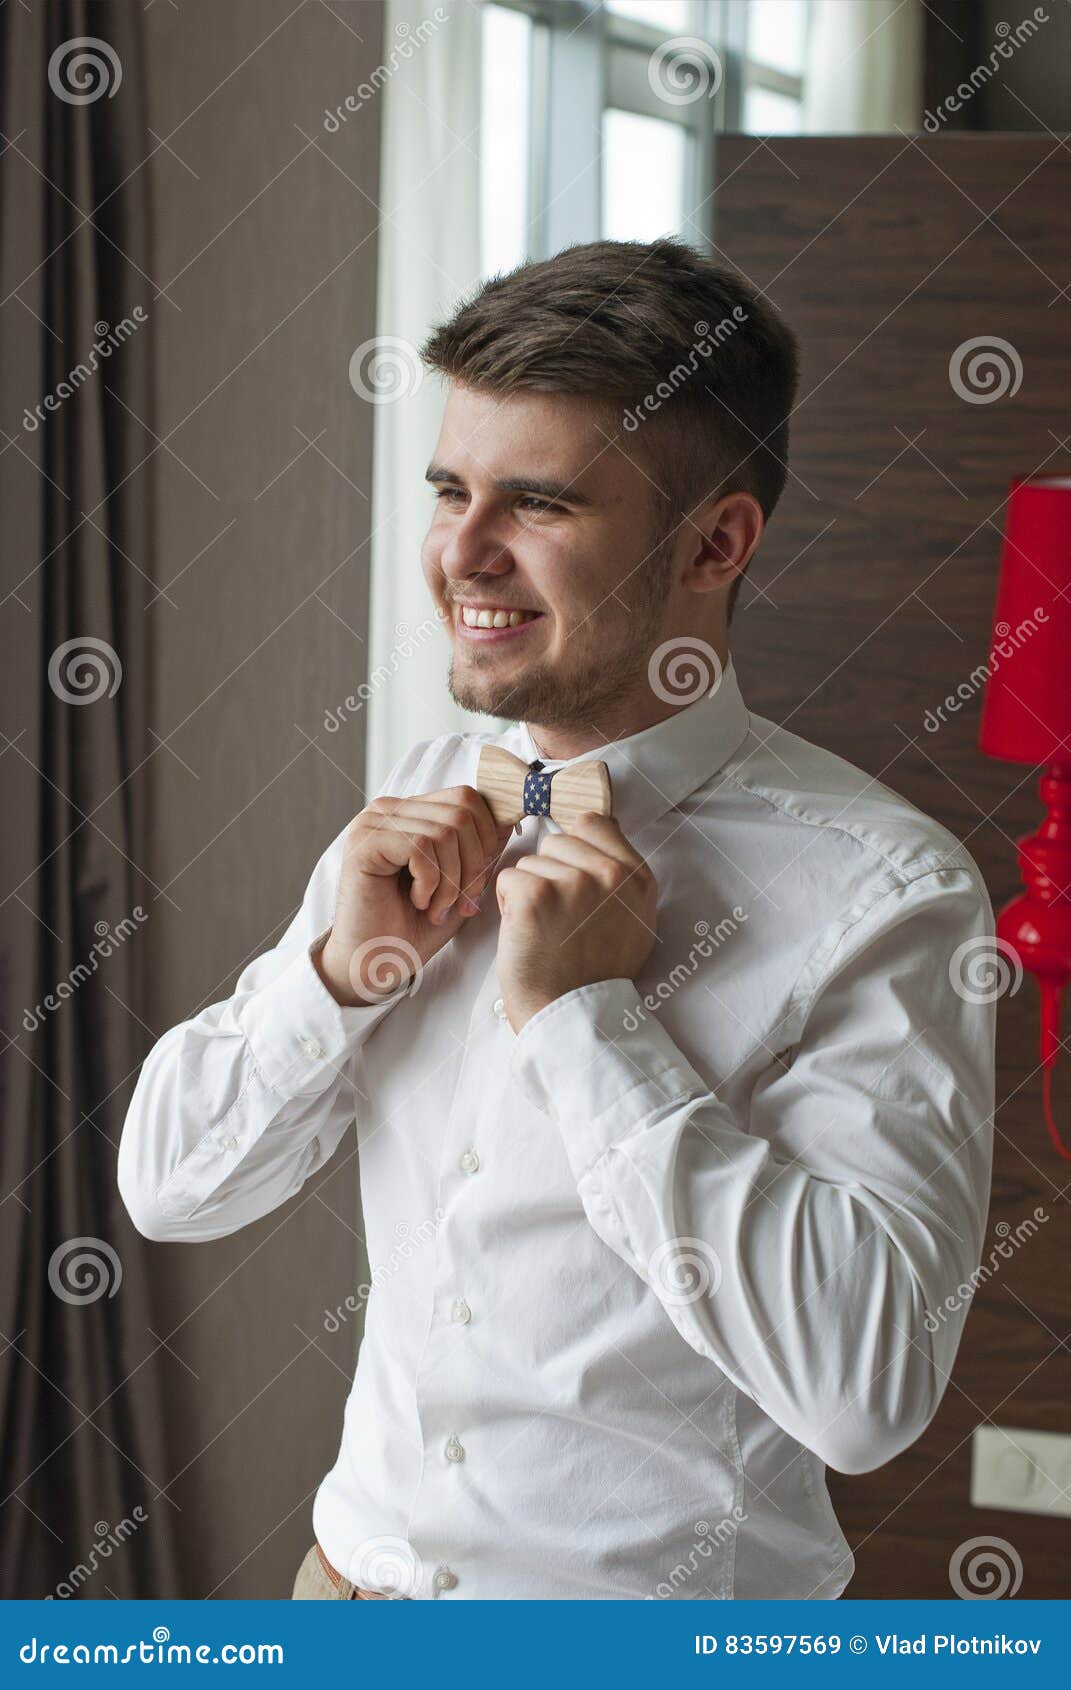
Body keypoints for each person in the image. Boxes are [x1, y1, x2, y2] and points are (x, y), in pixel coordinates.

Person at [118, 238, 995, 1601]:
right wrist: (338, 973)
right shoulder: (421, 795)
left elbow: (867, 1389)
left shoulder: (887, 890)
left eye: (537, 503)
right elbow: (171, 1189)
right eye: (449, 491)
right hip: (339, 1599)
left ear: (716, 542)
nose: (463, 554)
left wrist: (591, 1022)